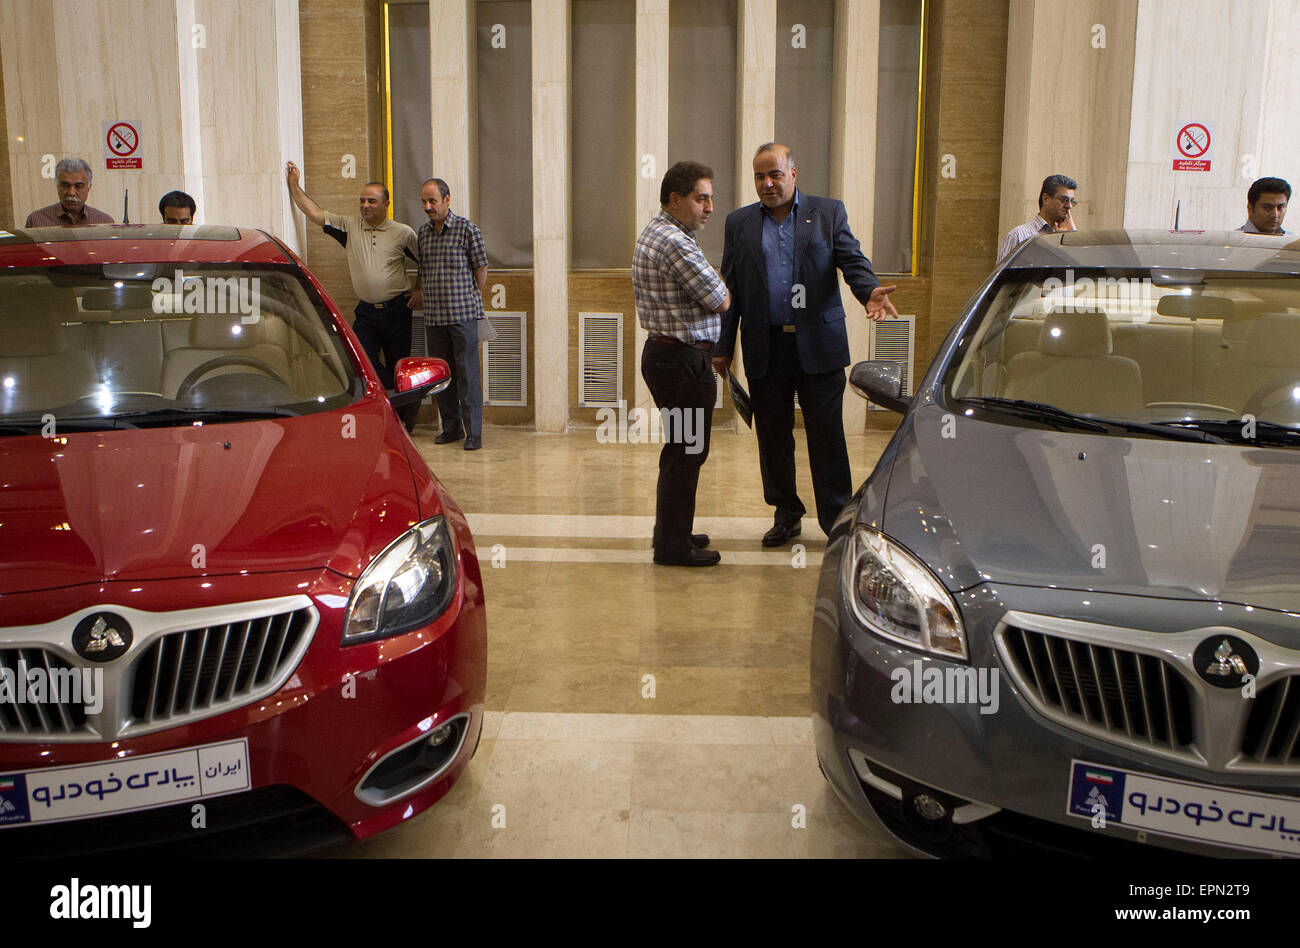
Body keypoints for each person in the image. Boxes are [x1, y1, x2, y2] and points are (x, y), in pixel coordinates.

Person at [717, 143, 896, 546]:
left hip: (819, 344)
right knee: (774, 437)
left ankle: (835, 516)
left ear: (793, 174)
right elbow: (731, 287)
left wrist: (868, 291)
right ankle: (786, 513)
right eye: (760, 176)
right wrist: (722, 345)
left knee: (826, 435)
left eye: (775, 174)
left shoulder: (828, 213)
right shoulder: (739, 223)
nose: (767, 183)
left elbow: (852, 261)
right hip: (766, 346)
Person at [634, 161, 732, 567]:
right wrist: (719, 282)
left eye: (710, 198)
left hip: (669, 357)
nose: (709, 206)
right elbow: (721, 299)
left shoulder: (661, 231)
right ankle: (673, 547)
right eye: (700, 198)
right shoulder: (676, 242)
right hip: (682, 361)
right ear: (675, 199)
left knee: (681, 449)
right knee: (687, 452)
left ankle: (672, 531)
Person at [285, 161, 421, 429]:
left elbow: (426, 261)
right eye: (362, 201)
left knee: (401, 368)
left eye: (372, 201)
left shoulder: (403, 233)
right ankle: (384, 411)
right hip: (366, 314)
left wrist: (420, 289)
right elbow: (314, 213)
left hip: (397, 311)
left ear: (386, 204)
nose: (365, 205)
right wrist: (293, 185)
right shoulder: (348, 227)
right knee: (361, 364)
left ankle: (406, 425)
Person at [416, 177, 488, 451]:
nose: (427, 206)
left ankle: (474, 434)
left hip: (462, 316)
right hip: (434, 318)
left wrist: (470, 297)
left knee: (467, 374)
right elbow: (423, 270)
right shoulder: (422, 234)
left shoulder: (467, 230)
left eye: (432, 200)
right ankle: (451, 428)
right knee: (442, 376)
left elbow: (481, 269)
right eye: (424, 201)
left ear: (447, 200)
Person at [995, 173, 1078, 264]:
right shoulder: (1019, 236)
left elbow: (1076, 271)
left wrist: (1070, 237)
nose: (1069, 206)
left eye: (1072, 201)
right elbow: (1001, 276)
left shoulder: (1067, 235)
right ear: (1045, 198)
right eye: (1064, 200)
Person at [25, 157, 113, 227]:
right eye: (65, 186)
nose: (71, 192)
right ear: (57, 186)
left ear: (89, 187)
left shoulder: (104, 222)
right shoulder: (36, 221)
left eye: (78, 186)